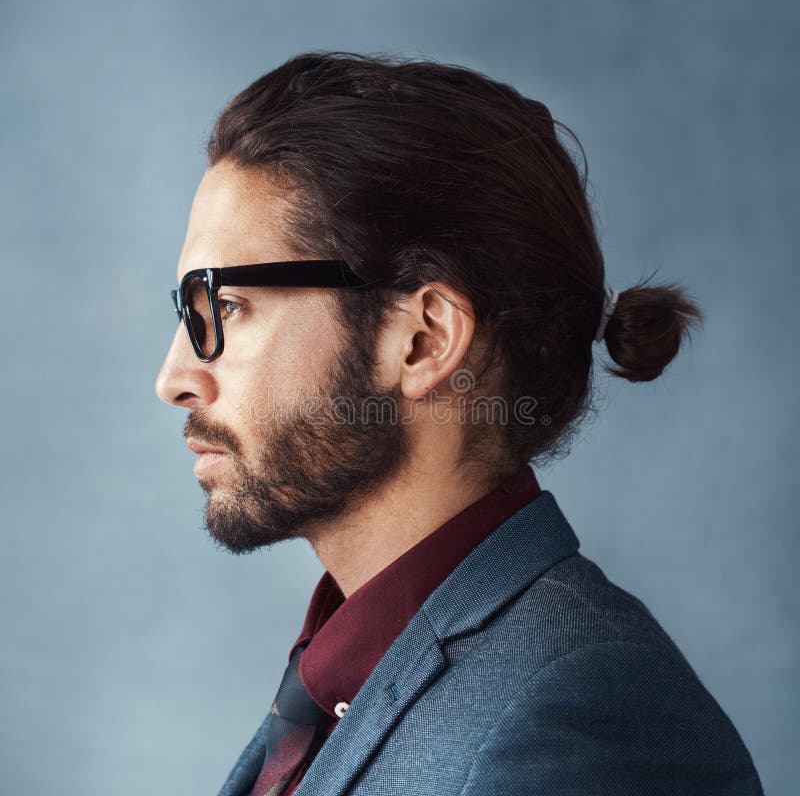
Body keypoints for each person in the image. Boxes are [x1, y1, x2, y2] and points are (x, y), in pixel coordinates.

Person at [155, 51, 764, 796]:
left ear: (422, 339)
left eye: (227, 308)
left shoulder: (576, 713)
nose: (175, 379)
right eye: (187, 314)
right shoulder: (343, 670)